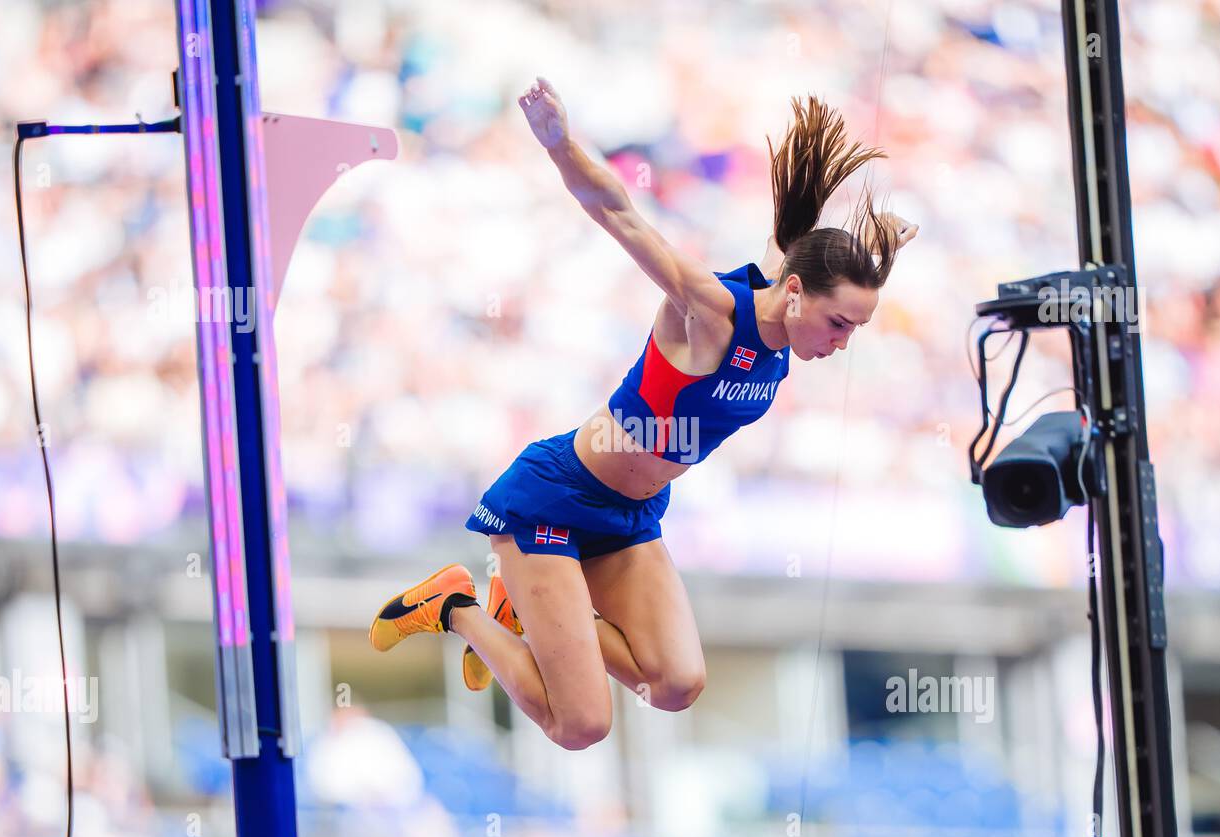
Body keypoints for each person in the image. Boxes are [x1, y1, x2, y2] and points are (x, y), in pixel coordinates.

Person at [370, 78, 918, 750]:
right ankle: (454, 605)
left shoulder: (792, 292)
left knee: (677, 683)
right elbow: (617, 210)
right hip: (554, 499)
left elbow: (804, 243)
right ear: (797, 295)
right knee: (582, 724)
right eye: (838, 324)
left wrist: (883, 241)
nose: (841, 343)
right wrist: (558, 142)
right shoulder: (711, 313)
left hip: (629, 516)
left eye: (853, 330)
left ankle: (529, 605)